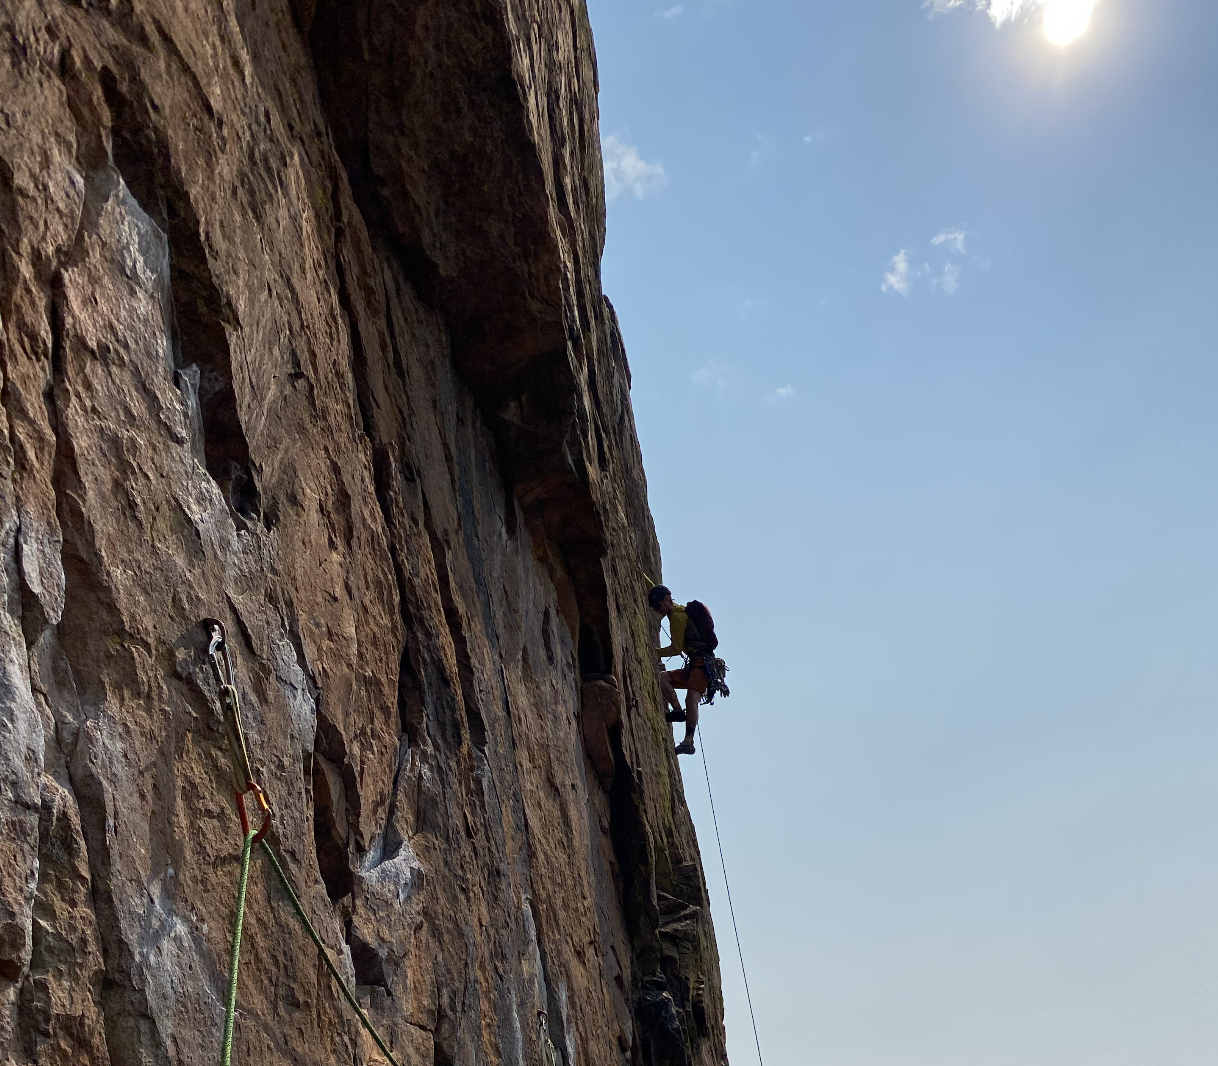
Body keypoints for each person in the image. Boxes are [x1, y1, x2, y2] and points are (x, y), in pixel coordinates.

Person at [647, 584, 712, 755]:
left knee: (692, 699)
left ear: (667, 601)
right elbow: (656, 588)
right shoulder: (676, 611)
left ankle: (688, 742)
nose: (656, 610)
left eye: (657, 606)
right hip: (694, 664)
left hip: (703, 664)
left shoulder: (677, 617)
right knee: (663, 678)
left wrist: (653, 652)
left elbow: (675, 649)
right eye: (653, 607)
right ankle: (676, 711)